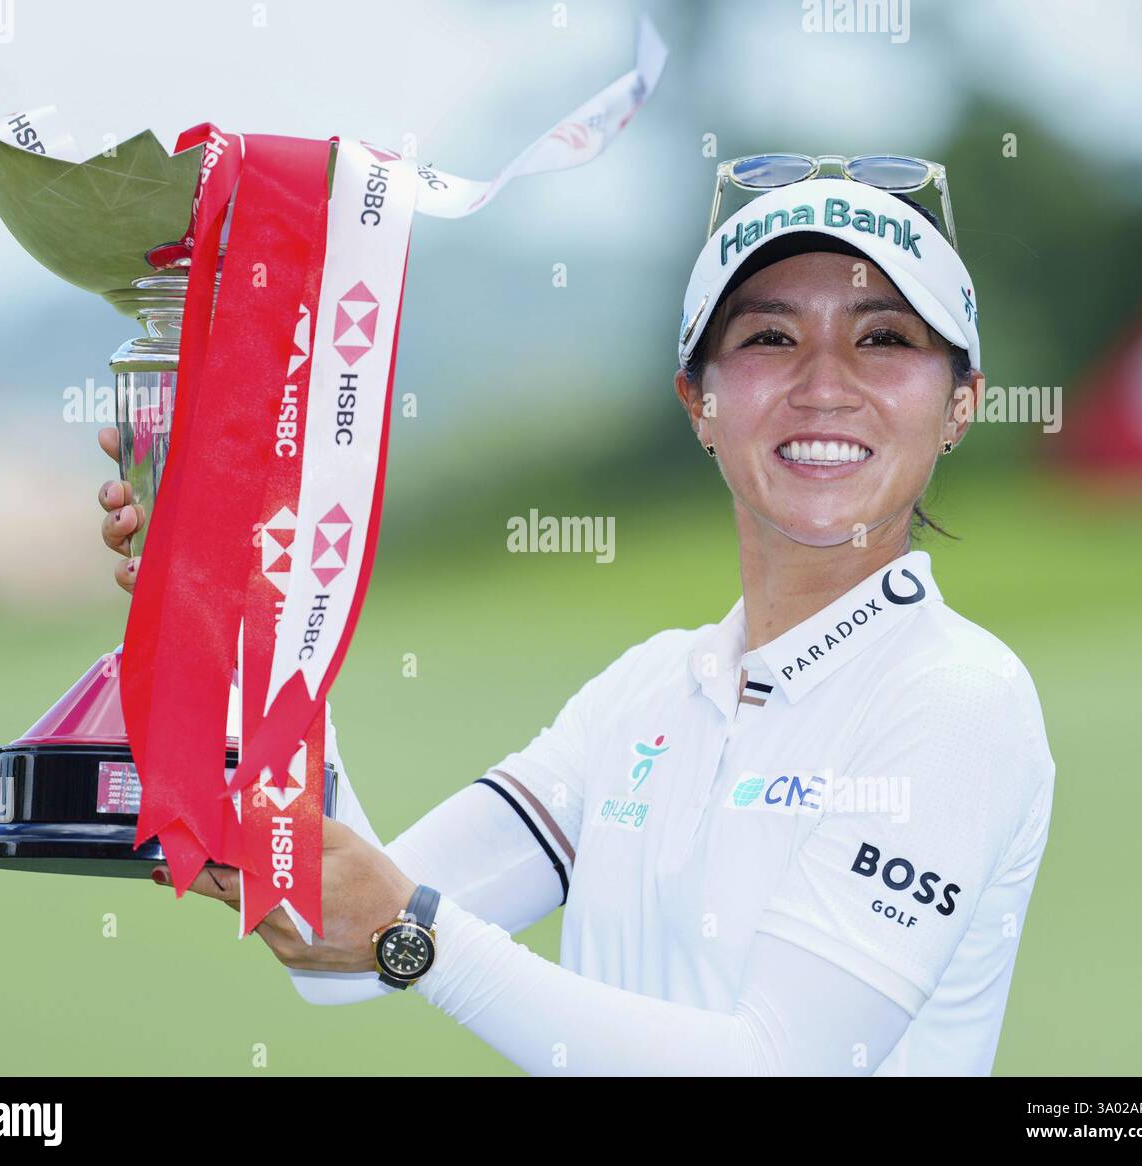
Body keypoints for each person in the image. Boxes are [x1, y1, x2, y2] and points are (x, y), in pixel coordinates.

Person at [97, 158, 1055, 1077]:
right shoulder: (648, 691)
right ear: (699, 401)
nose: (825, 384)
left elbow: (777, 1066)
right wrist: (247, 603)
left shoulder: (959, 699)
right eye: (770, 337)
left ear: (960, 405)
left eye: (883, 339)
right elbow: (333, 938)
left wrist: (418, 938)